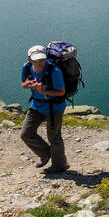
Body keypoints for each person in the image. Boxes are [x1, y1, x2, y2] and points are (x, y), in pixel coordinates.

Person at [20, 44, 68, 174]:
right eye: (37, 60)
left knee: (54, 137)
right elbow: (23, 84)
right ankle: (46, 153)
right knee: (26, 134)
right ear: (29, 59)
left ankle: (60, 166)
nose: (40, 63)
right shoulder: (27, 67)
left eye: (42, 59)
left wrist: (44, 90)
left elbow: (61, 92)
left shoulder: (54, 71)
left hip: (54, 108)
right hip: (37, 106)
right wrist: (29, 84)